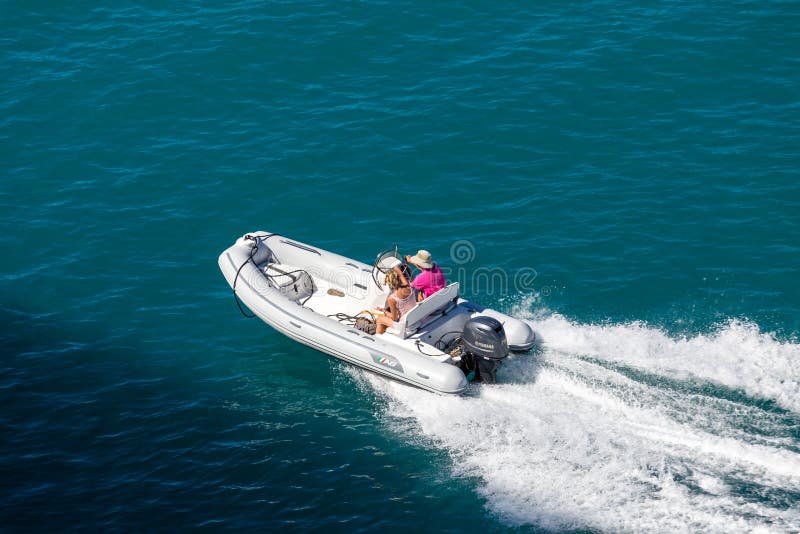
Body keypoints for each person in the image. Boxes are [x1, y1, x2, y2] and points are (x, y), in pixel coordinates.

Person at [375, 270, 417, 334]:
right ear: (399, 278)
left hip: (404, 325)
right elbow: (402, 276)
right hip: (415, 319)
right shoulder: (409, 285)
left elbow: (394, 319)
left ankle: (378, 338)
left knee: (380, 319)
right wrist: (397, 269)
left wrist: (383, 311)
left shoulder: (392, 298)